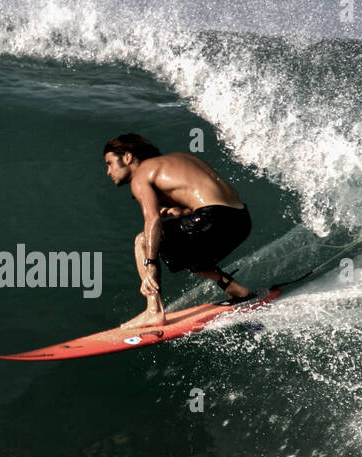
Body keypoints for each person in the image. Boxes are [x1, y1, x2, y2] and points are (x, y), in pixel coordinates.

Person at [102, 133, 253, 328]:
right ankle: (238, 291)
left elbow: (152, 219)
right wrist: (179, 212)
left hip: (213, 218)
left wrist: (151, 264)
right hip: (241, 219)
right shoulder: (181, 159)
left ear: (128, 157)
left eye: (109, 163)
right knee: (185, 253)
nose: (108, 171)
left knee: (143, 241)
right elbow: (213, 202)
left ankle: (153, 311)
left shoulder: (140, 175)